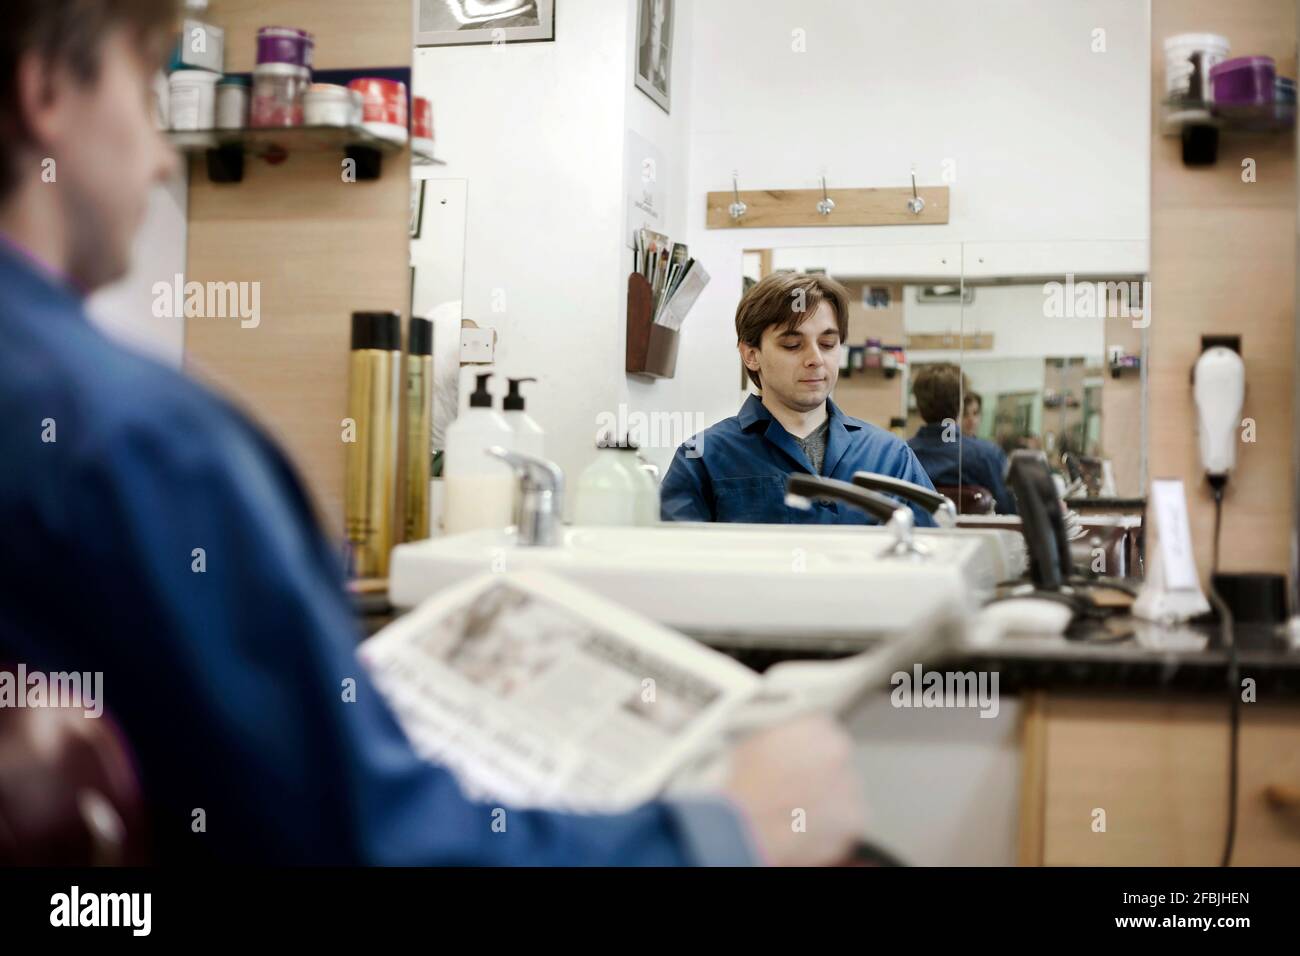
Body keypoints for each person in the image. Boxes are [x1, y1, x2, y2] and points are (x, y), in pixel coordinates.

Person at [0, 0, 866, 866]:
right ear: (46, 90)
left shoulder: (108, 432)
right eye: (144, 87)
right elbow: (374, 841)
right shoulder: (151, 446)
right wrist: (722, 834)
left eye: (830, 344)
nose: (161, 159)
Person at [661, 272, 936, 525]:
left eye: (828, 344)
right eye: (793, 345)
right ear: (751, 355)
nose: (815, 359)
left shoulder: (891, 457)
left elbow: (936, 556)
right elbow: (671, 567)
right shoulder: (703, 458)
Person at [907, 364, 1017, 515]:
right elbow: (1010, 515)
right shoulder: (987, 456)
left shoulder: (903, 455)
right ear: (961, 405)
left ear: (919, 407)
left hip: (919, 538)